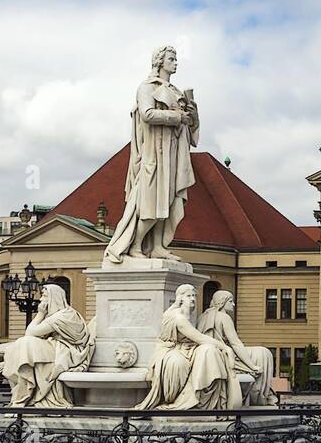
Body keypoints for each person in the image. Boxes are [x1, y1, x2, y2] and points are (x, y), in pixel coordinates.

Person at [104, 45, 199, 265]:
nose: (176, 63)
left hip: (173, 153)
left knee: (167, 200)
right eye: (172, 59)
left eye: (176, 59)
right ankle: (136, 245)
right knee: (151, 202)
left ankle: (158, 247)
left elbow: (191, 128)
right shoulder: (146, 87)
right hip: (155, 153)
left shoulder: (175, 91)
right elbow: (147, 114)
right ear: (159, 62)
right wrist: (176, 116)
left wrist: (192, 116)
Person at [138, 284, 242, 411]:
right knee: (182, 362)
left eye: (193, 296)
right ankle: (187, 399)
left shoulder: (191, 314)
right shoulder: (178, 317)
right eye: (188, 296)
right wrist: (226, 348)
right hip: (171, 350)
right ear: (180, 299)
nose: (192, 299)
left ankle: (205, 399)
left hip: (187, 348)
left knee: (210, 351)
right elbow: (200, 337)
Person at [1, 283, 94, 408]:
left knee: (26, 342)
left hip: (68, 352)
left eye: (44, 296)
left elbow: (30, 333)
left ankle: (23, 395)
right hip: (59, 348)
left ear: (53, 298)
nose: (40, 299)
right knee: (19, 345)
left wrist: (40, 313)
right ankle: (20, 389)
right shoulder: (63, 314)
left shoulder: (61, 316)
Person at [197, 290, 276, 406]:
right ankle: (258, 397)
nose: (233, 304)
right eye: (230, 301)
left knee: (261, 352)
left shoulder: (202, 317)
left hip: (215, 354)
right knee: (264, 353)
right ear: (222, 302)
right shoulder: (224, 317)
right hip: (225, 354)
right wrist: (251, 366)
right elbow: (235, 344)